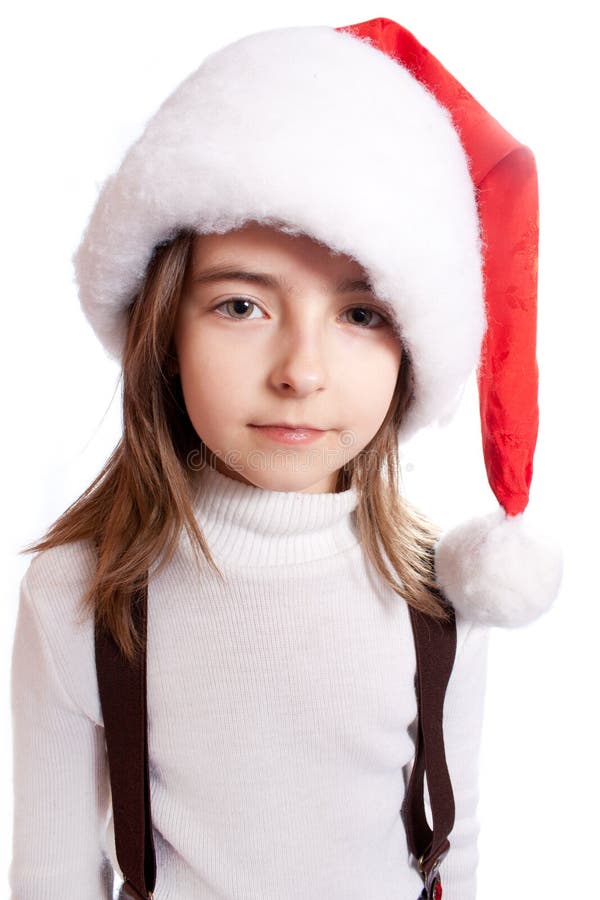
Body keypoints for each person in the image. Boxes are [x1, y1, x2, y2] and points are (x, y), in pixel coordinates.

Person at [8, 16, 563, 900]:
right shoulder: (77, 595)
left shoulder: (438, 596)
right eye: (240, 306)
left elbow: (455, 853)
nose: (301, 372)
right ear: (164, 330)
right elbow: (48, 878)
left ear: (413, 349)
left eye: (360, 314)